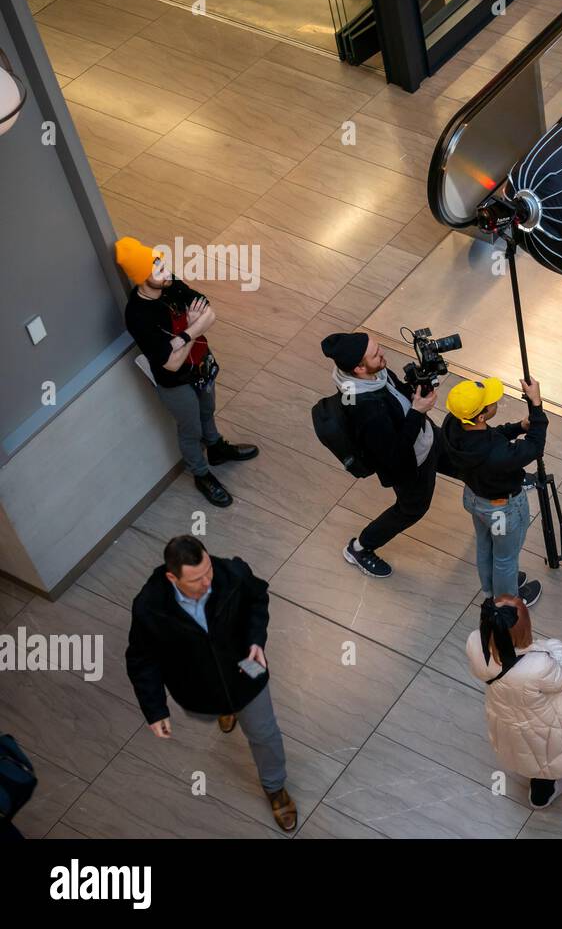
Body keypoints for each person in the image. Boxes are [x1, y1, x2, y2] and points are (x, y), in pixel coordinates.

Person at [124, 535, 297, 831]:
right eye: (196, 580)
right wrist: (155, 710)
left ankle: (275, 787)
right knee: (218, 706)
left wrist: (256, 640)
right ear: (171, 577)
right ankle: (225, 709)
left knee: (264, 733)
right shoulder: (149, 607)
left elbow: (258, 599)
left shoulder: (231, 572)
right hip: (198, 685)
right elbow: (142, 660)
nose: (207, 583)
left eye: (208, 572)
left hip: (246, 667)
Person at [117, 236, 258, 508]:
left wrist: (180, 340)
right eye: (157, 270)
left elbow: (210, 313)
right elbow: (169, 364)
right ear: (141, 278)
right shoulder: (137, 316)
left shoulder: (170, 284)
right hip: (175, 382)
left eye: (162, 264)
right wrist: (192, 330)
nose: (166, 271)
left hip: (201, 365)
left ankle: (216, 448)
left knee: (208, 409)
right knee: (190, 428)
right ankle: (201, 474)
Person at [321, 332, 441, 578]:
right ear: (359, 368)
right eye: (376, 354)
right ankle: (360, 548)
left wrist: (416, 390)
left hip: (424, 436)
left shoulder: (374, 373)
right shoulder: (365, 410)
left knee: (459, 453)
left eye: (378, 348)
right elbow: (395, 455)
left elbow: (396, 390)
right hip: (411, 464)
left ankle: (500, 479)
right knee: (411, 509)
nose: (383, 353)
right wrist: (417, 412)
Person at [467, 595, 562, 809]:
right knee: (547, 756)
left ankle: (538, 788)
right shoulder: (538, 664)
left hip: (505, 718)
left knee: (526, 753)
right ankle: (542, 794)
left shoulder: (475, 645)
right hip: (544, 723)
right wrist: (554, 646)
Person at [442, 376, 547, 607]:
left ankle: (492, 589)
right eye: (490, 401)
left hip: (474, 498)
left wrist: (518, 427)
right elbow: (534, 447)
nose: (495, 401)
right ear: (481, 416)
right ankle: (506, 601)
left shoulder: (454, 423)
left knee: (485, 544)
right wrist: (536, 405)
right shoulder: (496, 455)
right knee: (505, 558)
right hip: (500, 510)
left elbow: (489, 436)